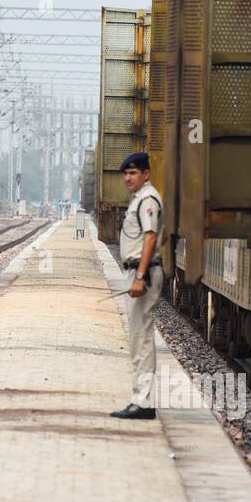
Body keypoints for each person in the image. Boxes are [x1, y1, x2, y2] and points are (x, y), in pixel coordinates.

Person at [109, 151, 163, 420]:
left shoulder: (148, 200)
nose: (128, 178)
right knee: (138, 338)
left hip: (144, 274)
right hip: (137, 273)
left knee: (141, 339)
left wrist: (140, 276)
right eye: (125, 174)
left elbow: (150, 238)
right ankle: (140, 399)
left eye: (133, 173)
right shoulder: (139, 199)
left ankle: (144, 402)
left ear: (146, 174)